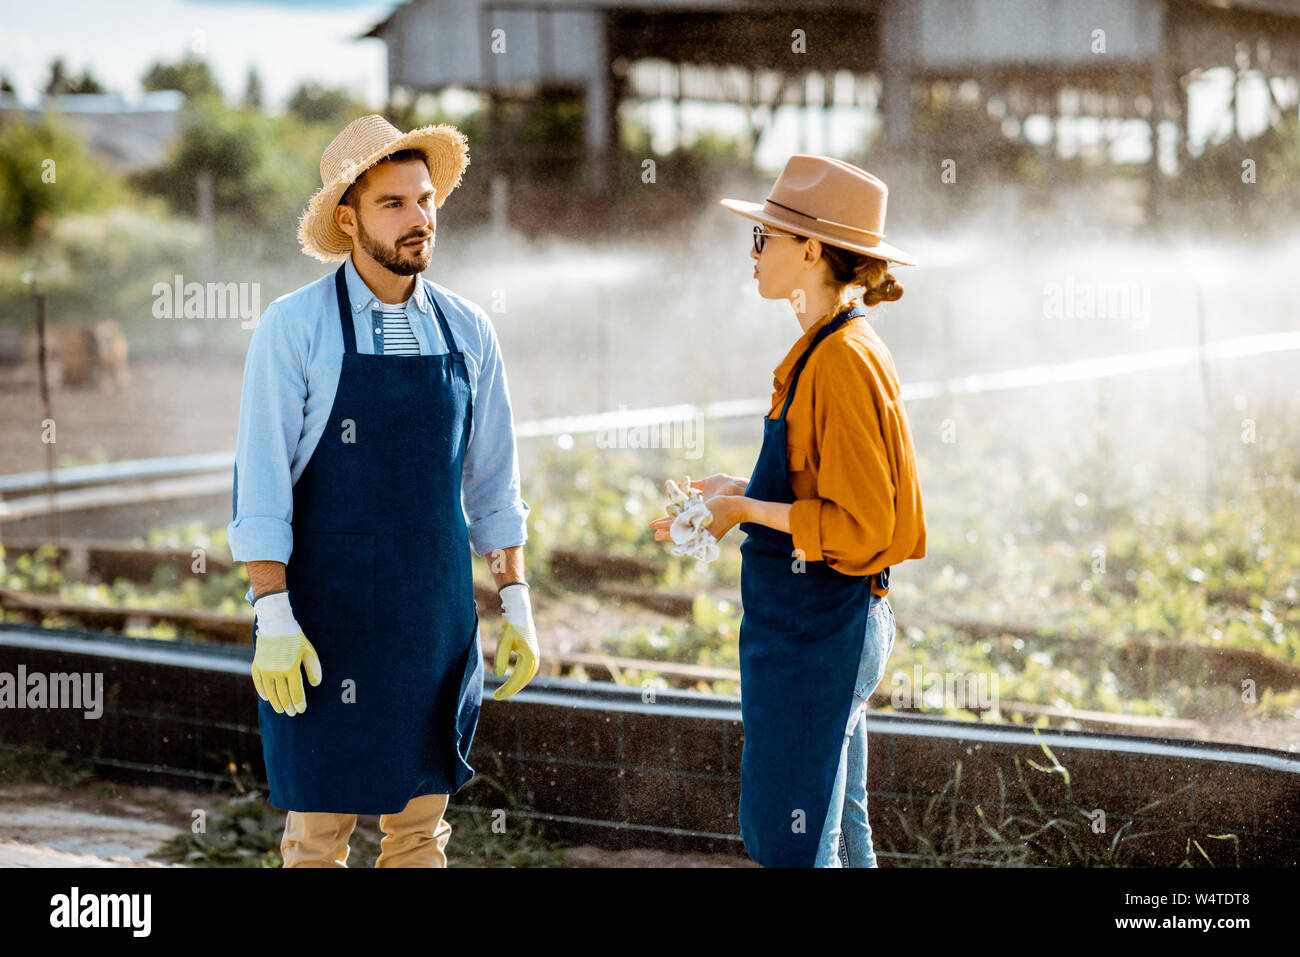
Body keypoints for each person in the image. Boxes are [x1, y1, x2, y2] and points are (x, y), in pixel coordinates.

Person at [227, 114, 539, 867]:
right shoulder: (293, 328)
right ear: (348, 217)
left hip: (430, 620)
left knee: (418, 835)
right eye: (394, 204)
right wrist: (271, 609)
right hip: (320, 626)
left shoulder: (468, 331)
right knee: (315, 838)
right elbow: (260, 481)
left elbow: (493, 481)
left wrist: (518, 599)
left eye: (426, 200)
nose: (419, 220)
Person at [651, 154, 927, 867]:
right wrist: (732, 489)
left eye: (764, 237)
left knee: (797, 842)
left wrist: (743, 507)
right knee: (840, 829)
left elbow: (859, 526)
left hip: (824, 628)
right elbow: (818, 483)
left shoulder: (838, 360)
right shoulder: (829, 344)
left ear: (810, 251)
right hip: (830, 622)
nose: (753, 253)